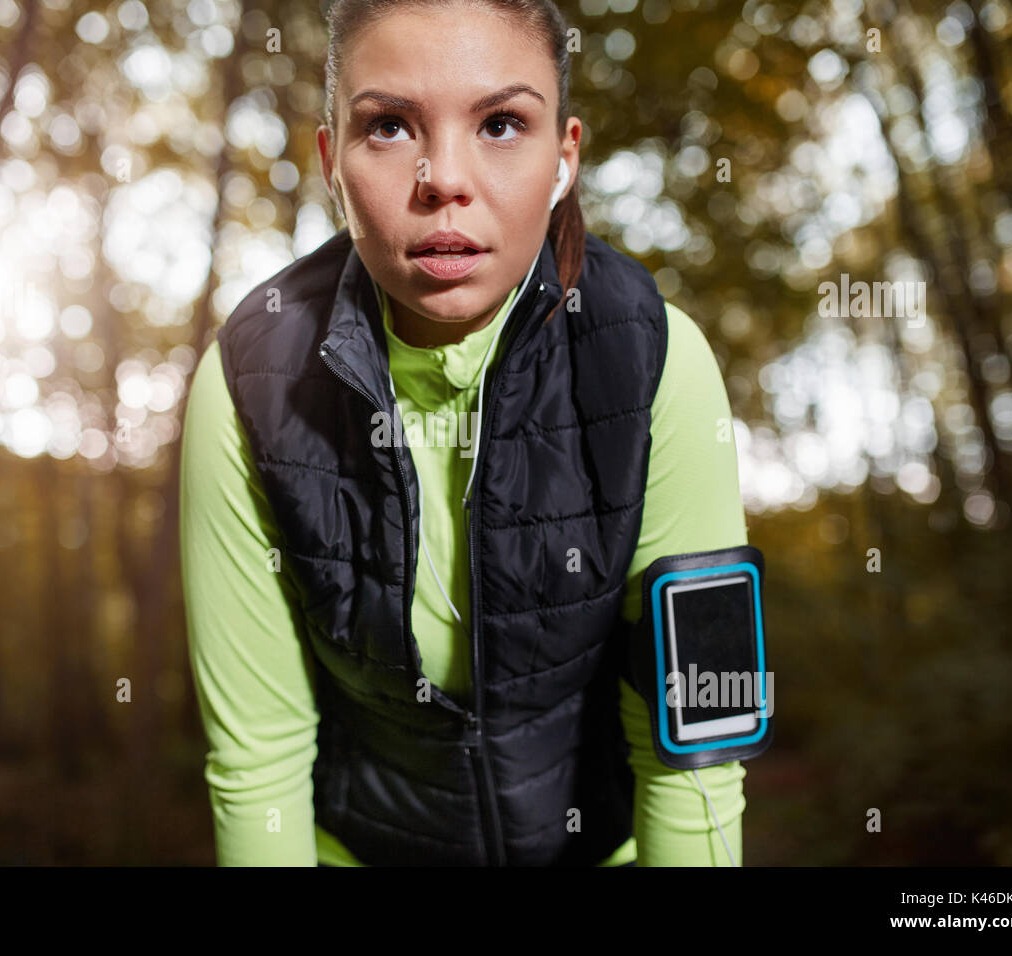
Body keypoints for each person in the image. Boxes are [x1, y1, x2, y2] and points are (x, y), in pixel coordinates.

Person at [180, 0, 748, 866]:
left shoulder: (658, 361)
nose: (443, 176)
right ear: (331, 160)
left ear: (564, 159)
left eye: (502, 123)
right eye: (390, 126)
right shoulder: (246, 382)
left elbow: (698, 750)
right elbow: (258, 766)